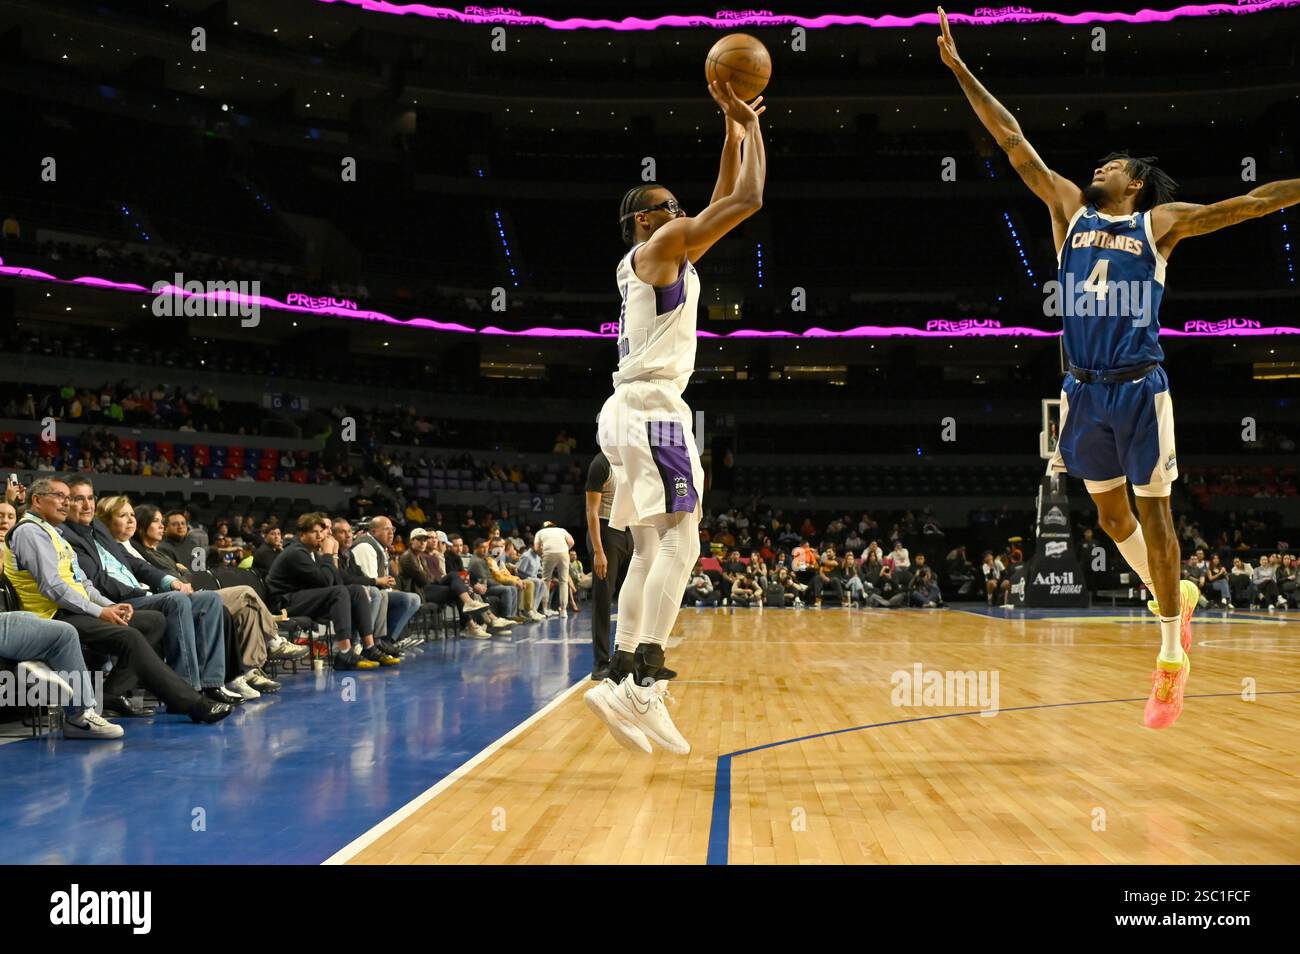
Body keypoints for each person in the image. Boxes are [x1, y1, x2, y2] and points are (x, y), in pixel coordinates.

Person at [941, 6, 1299, 728]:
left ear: (1135, 184)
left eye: (1111, 165)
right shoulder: (1068, 211)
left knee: (1154, 516)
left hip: (1139, 388)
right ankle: (1180, 596)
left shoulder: (1157, 224)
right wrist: (958, 67)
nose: (1096, 166)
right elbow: (1013, 140)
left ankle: (1171, 658)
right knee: (1109, 519)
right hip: (1080, 391)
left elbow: (1252, 202)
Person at [585, 78, 767, 756]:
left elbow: (721, 198)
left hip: (625, 411)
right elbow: (747, 200)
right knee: (686, 540)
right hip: (653, 410)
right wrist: (754, 126)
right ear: (642, 220)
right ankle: (642, 682)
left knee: (653, 547)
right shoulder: (661, 251)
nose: (682, 211)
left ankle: (621, 673)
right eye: (667, 206)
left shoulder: (660, 255)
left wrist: (731, 127)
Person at [2, 478, 232, 723]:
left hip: (72, 608)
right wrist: (99, 612)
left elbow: (83, 585)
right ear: (37, 500)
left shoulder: (53, 533)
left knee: (154, 621)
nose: (66, 503)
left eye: (69, 498)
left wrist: (106, 605)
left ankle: (109, 695)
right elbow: (54, 589)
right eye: (60, 496)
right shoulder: (29, 531)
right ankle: (191, 702)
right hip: (53, 616)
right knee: (129, 636)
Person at [534, 521, 574, 619]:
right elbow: (572, 542)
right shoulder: (561, 530)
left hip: (548, 553)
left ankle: (545, 609)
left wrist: (541, 554)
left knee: (546, 581)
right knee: (564, 582)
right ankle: (564, 611)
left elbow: (536, 548)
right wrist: (565, 549)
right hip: (563, 553)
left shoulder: (540, 532)